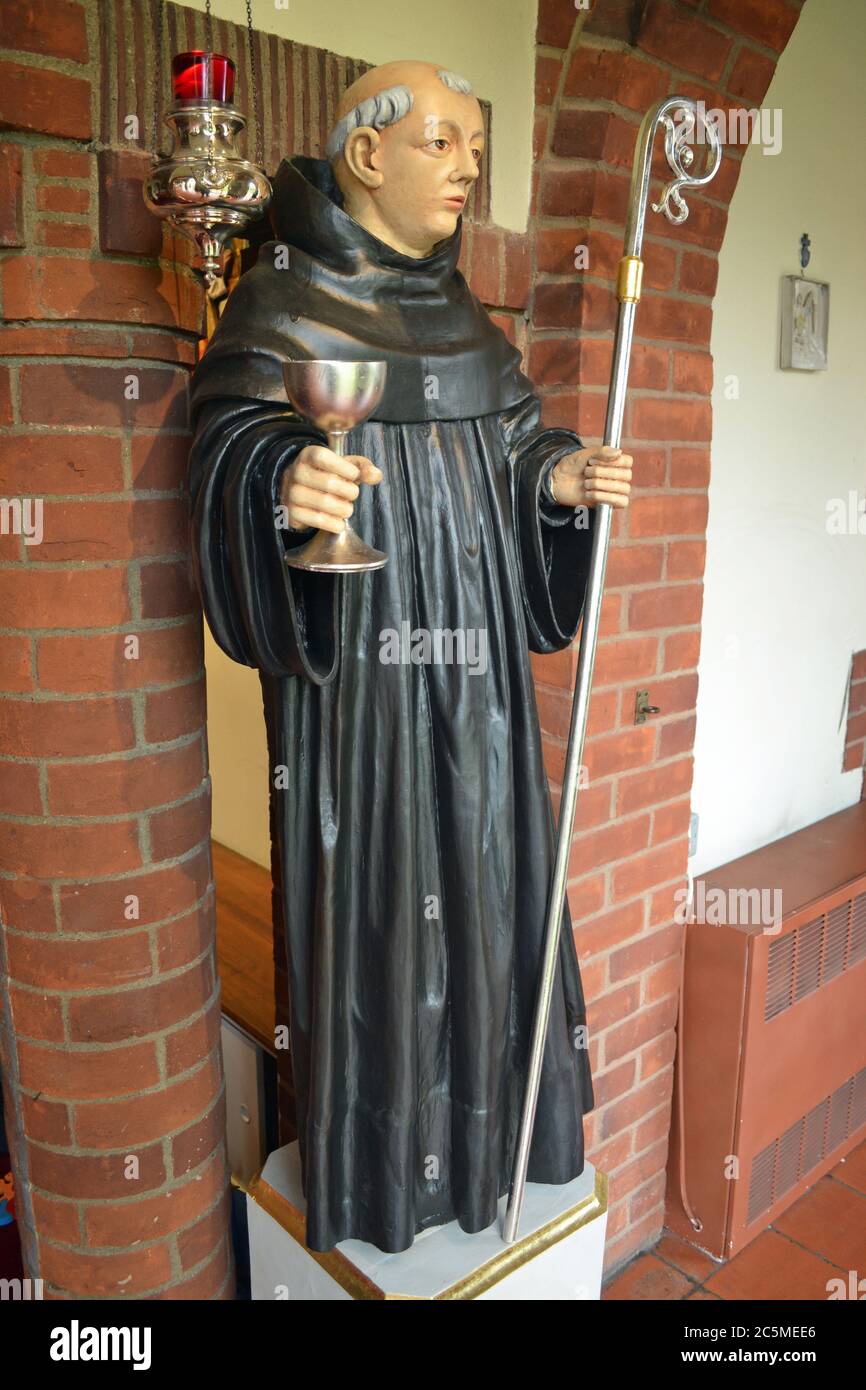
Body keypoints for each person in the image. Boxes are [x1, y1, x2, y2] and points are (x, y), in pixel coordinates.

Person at [188, 59, 632, 1254]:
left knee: (489, 871)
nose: (466, 170)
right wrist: (281, 478)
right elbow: (220, 447)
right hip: (365, 696)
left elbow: (514, 444)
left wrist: (558, 479)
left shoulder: (463, 316)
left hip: (478, 679)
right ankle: (384, 1160)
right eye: (444, 143)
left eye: (474, 151)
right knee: (379, 894)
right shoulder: (278, 303)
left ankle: (500, 1133)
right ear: (367, 155)